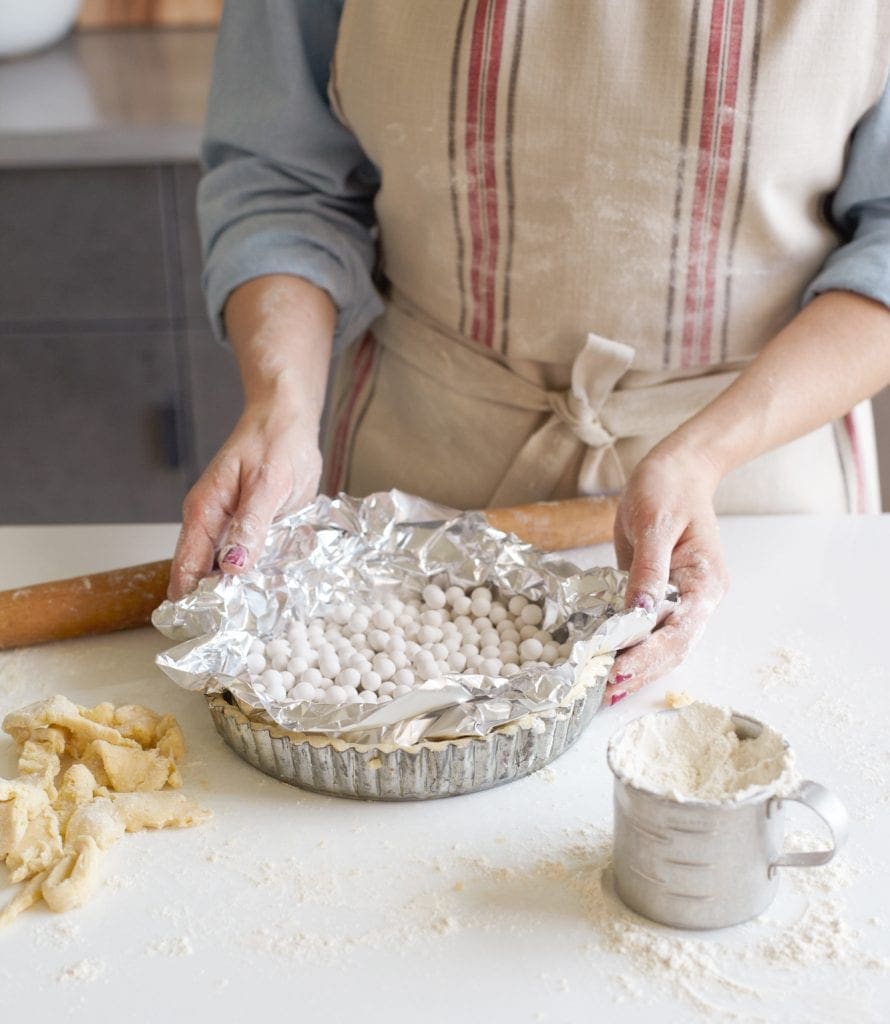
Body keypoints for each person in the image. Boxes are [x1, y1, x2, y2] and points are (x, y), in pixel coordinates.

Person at [169, 1, 890, 704]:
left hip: (757, 500)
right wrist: (281, 402)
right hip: (419, 475)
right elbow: (284, 181)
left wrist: (701, 454)